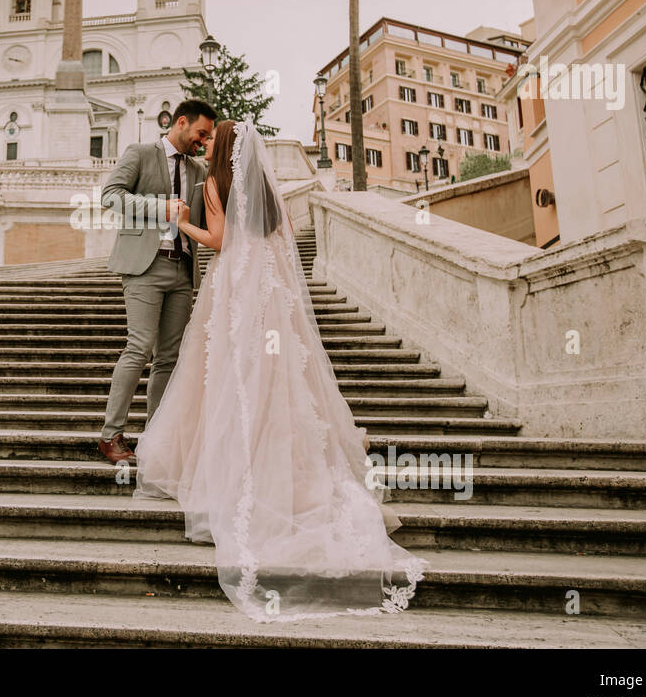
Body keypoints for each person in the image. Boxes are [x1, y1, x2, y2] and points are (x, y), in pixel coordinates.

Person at [133, 118, 427, 622]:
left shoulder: (213, 185)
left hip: (232, 291)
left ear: (222, 149)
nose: (204, 146)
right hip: (272, 297)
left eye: (210, 142)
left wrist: (182, 221)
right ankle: (291, 470)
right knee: (279, 383)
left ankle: (233, 472)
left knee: (226, 382)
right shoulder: (268, 190)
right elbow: (282, 240)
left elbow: (220, 240)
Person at [96, 99, 217, 463]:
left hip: (182, 269)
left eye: (209, 137)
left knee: (169, 358)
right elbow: (110, 196)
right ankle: (110, 434)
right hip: (144, 266)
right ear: (181, 122)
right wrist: (158, 208)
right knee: (139, 347)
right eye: (201, 133)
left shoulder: (198, 169)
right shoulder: (140, 152)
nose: (202, 141)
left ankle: (156, 438)